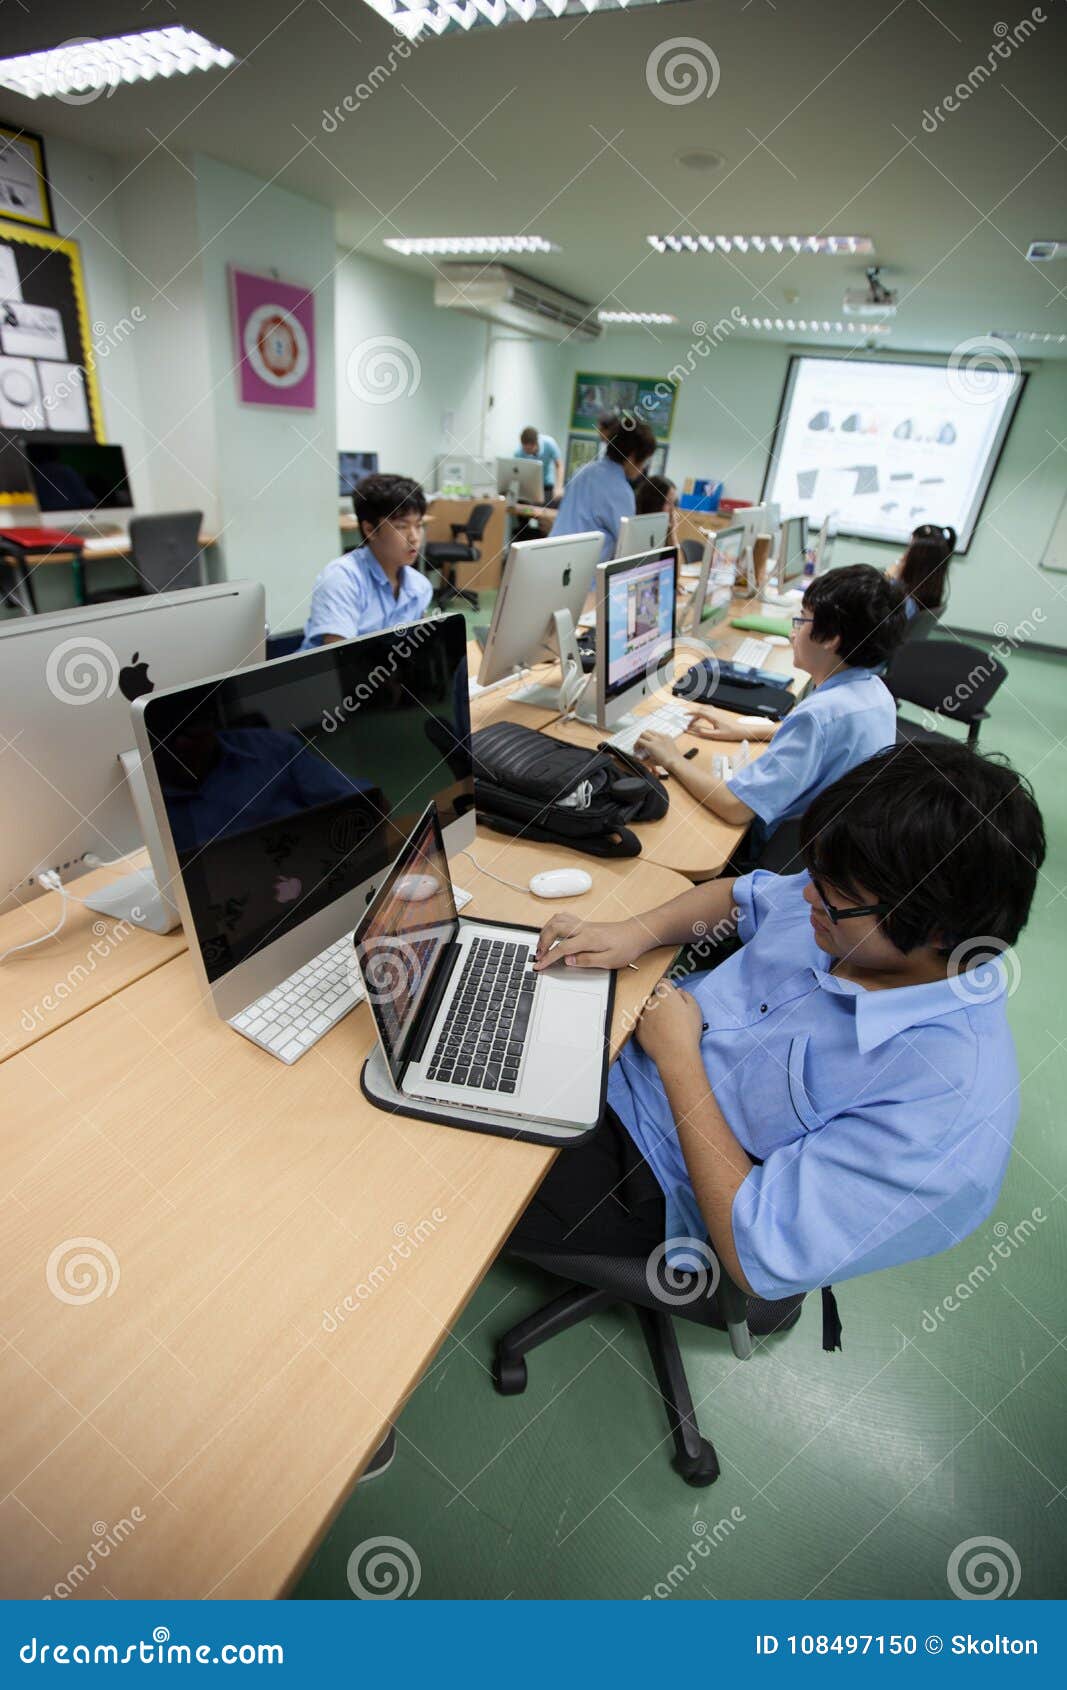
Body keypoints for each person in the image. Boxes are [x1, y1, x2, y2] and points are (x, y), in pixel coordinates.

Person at [512, 741, 1045, 1307]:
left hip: (654, 1176)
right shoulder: (851, 905)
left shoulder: (945, 1107)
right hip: (632, 1040)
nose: (809, 894)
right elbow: (743, 900)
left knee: (449, 1167)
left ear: (937, 931)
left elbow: (753, 1249)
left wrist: (679, 1061)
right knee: (472, 1025)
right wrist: (635, 932)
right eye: (817, 874)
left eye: (837, 897)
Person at [635, 564, 906, 842]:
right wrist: (751, 730)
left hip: (782, 850)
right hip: (835, 846)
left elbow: (735, 808)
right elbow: (830, 741)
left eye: (803, 619)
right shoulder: (875, 691)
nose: (793, 631)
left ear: (831, 639)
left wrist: (673, 758)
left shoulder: (819, 715)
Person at [301, 473, 432, 649]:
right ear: (370, 529)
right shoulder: (342, 579)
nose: (415, 537)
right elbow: (341, 664)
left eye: (418, 525)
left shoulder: (419, 586)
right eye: (401, 526)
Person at [551, 415, 658, 563]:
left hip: (551, 557)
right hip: (580, 573)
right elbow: (628, 548)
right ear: (632, 457)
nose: (643, 468)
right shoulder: (621, 490)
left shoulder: (583, 471)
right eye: (644, 461)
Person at [887, 522, 956, 627]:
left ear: (915, 562)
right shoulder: (927, 597)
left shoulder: (903, 603)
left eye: (908, 551)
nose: (902, 557)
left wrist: (886, 581)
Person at [516, 426, 563, 502]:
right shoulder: (519, 451)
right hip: (529, 485)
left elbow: (559, 465)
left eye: (529, 449)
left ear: (536, 444)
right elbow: (516, 472)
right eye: (525, 449)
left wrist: (559, 487)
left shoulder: (549, 443)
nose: (526, 452)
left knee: (548, 506)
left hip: (546, 485)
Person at [633, 471, 677, 546]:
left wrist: (672, 533)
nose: (673, 509)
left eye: (674, 503)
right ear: (653, 503)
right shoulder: (635, 530)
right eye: (668, 503)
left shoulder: (662, 528)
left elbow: (674, 557)